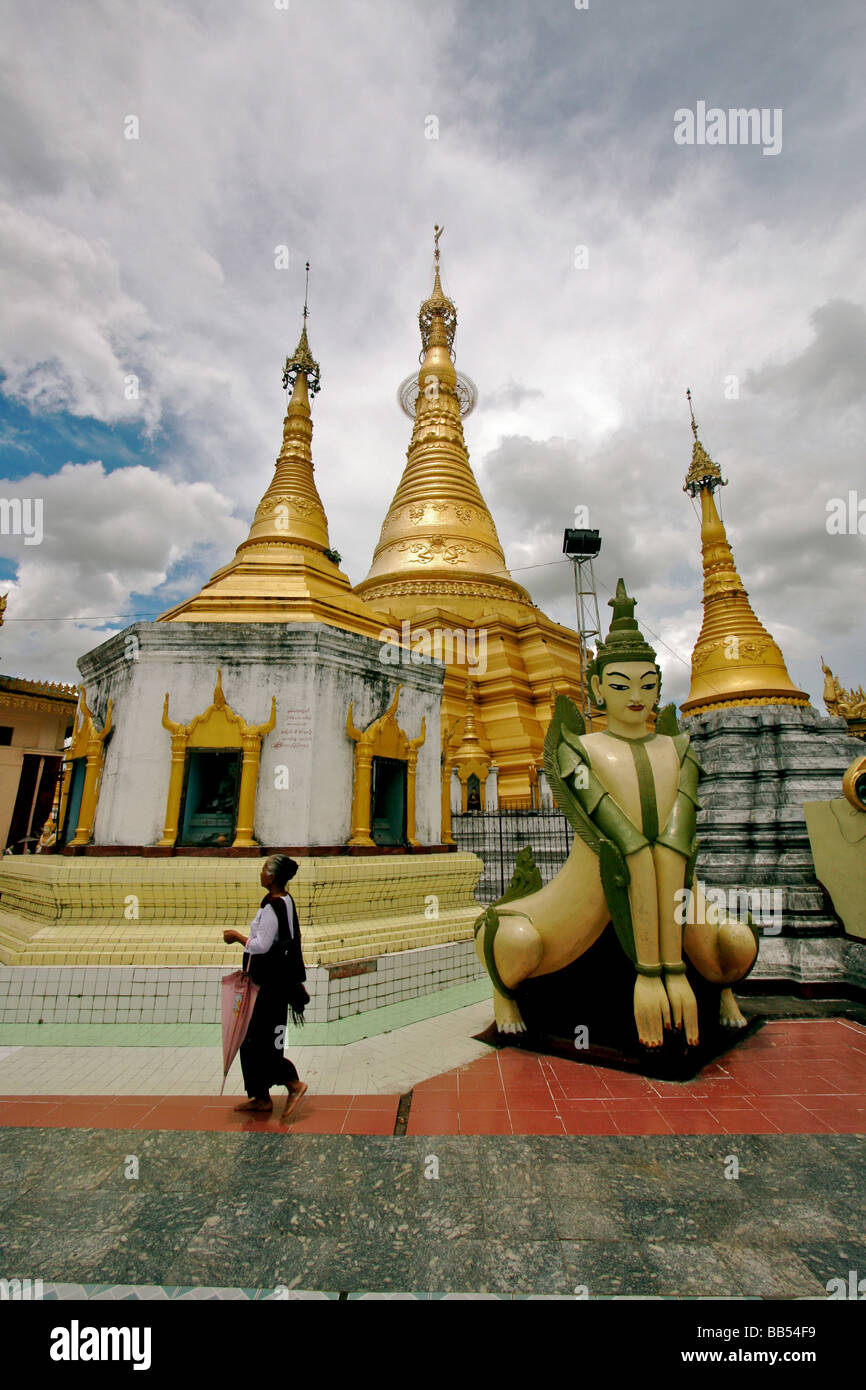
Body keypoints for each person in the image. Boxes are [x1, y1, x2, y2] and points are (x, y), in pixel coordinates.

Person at [223, 854, 308, 1114]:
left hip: (269, 985)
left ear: (271, 877)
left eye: (263, 869)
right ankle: (260, 1096)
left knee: (257, 1040)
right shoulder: (285, 900)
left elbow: (262, 945)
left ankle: (292, 1083)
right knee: (258, 1039)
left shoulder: (273, 907)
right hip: (277, 981)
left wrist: (237, 937)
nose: (260, 873)